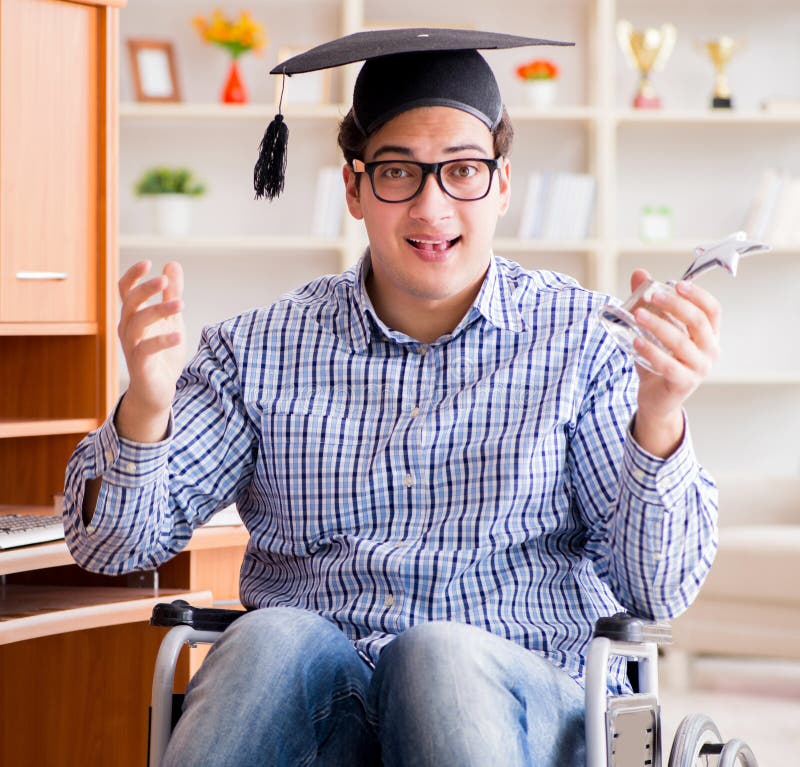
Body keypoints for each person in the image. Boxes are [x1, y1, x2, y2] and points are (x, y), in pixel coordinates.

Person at [63, 28, 720, 767]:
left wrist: (658, 419)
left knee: (436, 656)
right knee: (270, 636)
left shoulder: (587, 345)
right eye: (399, 172)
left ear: (503, 184)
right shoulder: (256, 351)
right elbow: (112, 545)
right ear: (353, 187)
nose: (433, 208)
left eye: (464, 170)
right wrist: (147, 405)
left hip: (518, 710)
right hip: (318, 710)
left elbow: (658, 589)